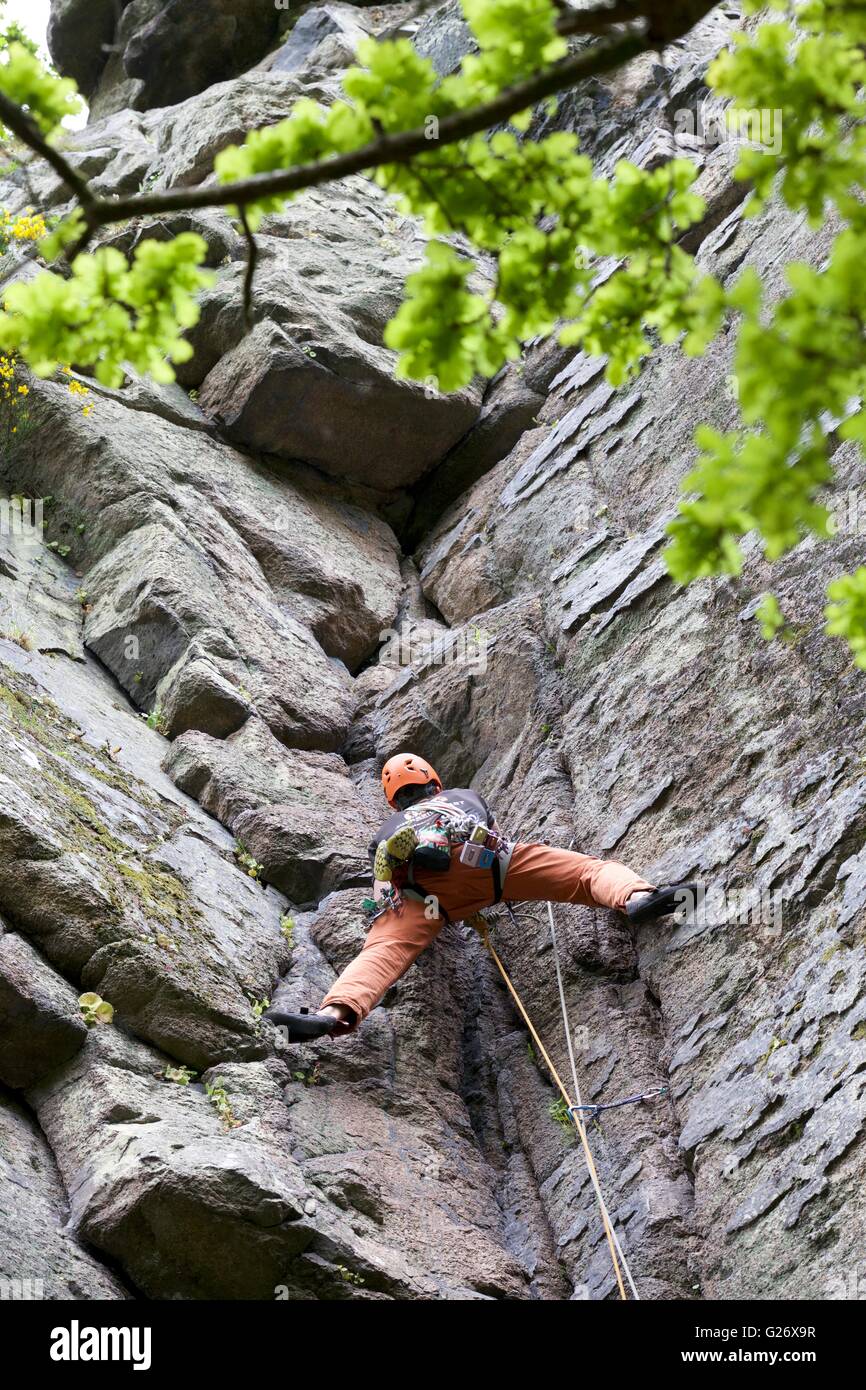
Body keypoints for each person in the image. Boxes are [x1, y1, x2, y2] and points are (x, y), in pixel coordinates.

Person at [265, 753, 696, 1042]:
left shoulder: (386, 829)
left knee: (383, 949)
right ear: (433, 782)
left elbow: (386, 887)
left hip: (426, 896)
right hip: (486, 865)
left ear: (393, 801)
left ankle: (333, 1013)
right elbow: (483, 823)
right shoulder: (460, 797)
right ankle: (637, 898)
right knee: (587, 873)